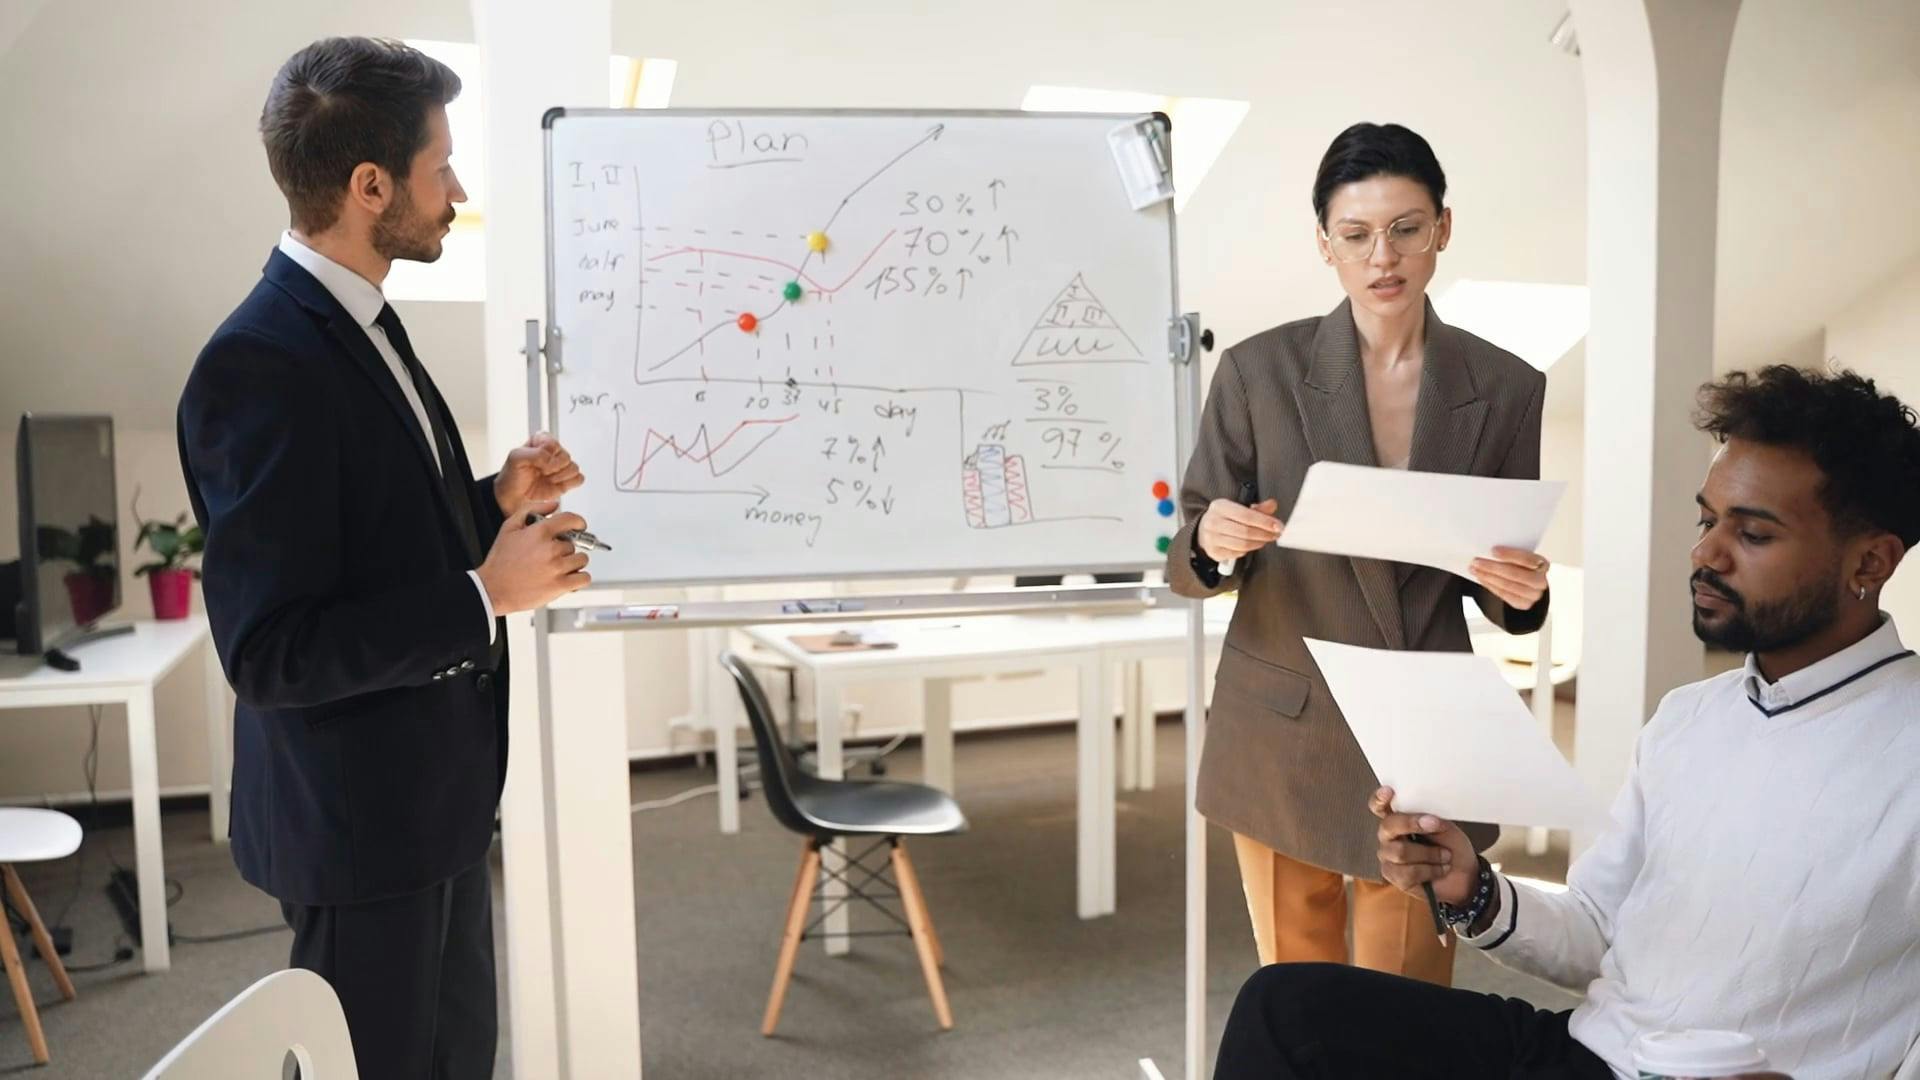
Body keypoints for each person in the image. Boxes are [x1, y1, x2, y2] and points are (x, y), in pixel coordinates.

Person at [1214, 365, 1920, 1080]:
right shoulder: (1690, 718)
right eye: (1707, 520)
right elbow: (1596, 928)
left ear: (1871, 560)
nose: (1704, 554)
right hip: (1590, 1053)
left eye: (1754, 535)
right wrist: (1472, 886)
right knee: (1288, 1007)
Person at [177, 37, 591, 1078]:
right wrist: (485, 592)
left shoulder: (361, 321)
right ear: (370, 186)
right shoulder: (259, 363)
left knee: (456, 1060)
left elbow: (362, 528)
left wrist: (493, 496)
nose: (456, 190)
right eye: (440, 165)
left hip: (432, 804)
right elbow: (272, 651)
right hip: (358, 830)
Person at [1166, 122, 1551, 986]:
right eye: (1356, 235)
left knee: (1408, 1006)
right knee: (1297, 1002)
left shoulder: (1508, 386)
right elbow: (1185, 553)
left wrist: (1519, 590)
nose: (1385, 256)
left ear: (1443, 230)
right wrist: (1210, 539)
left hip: (1424, 727)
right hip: (1286, 726)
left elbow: (1499, 573)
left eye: (1407, 228)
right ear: (1324, 245)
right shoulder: (1258, 373)